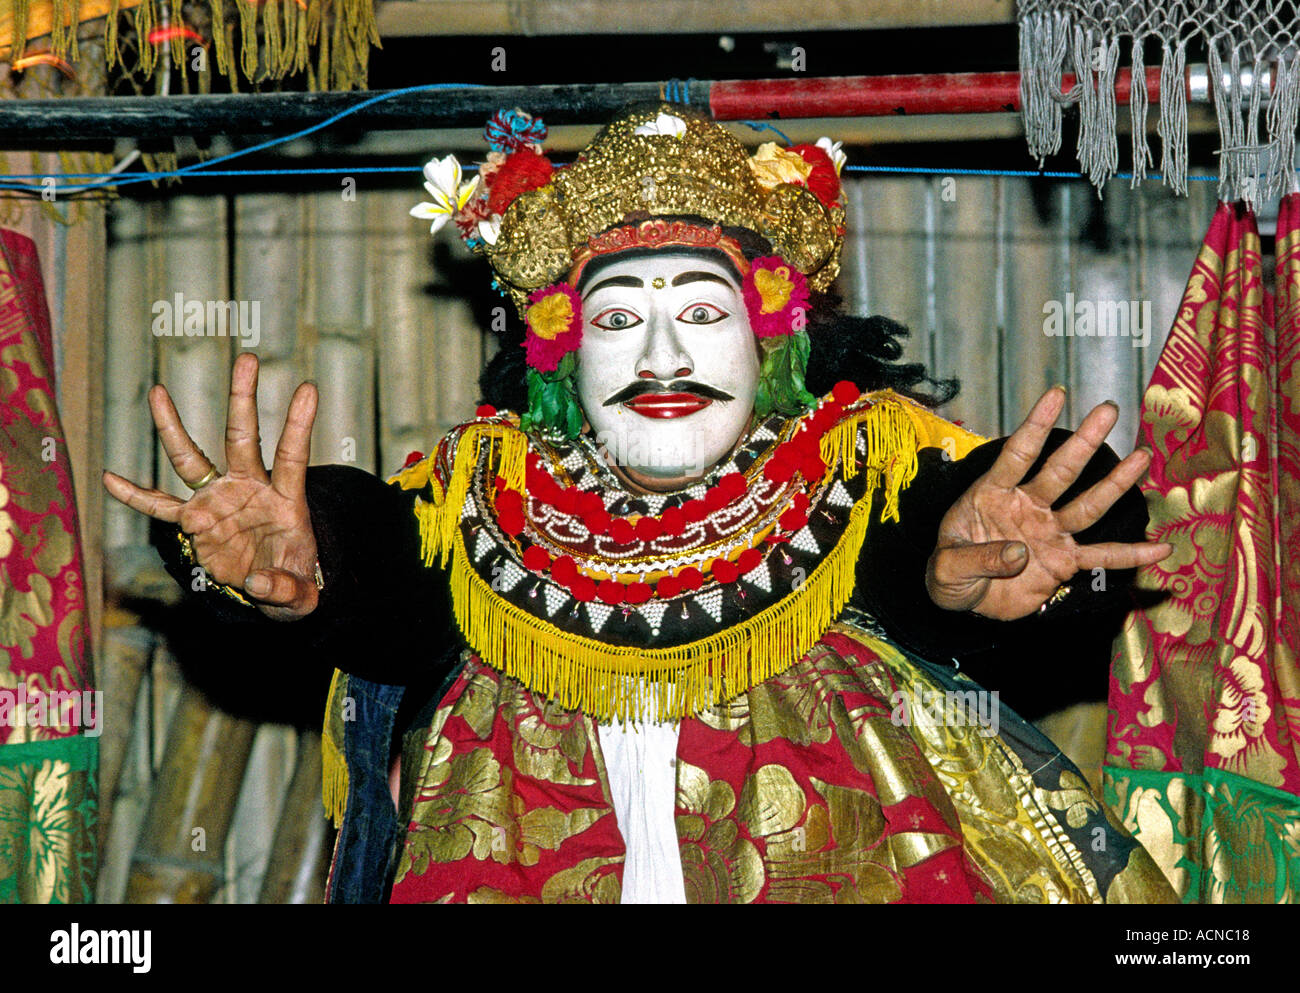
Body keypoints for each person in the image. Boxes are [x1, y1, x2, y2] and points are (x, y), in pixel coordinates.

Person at [104, 104, 1177, 903]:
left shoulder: (863, 469)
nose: (662, 354)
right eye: (617, 321)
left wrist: (1000, 552)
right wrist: (286, 557)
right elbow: (370, 562)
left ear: (773, 338)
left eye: (702, 312)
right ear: (560, 353)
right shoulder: (485, 496)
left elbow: (983, 522)